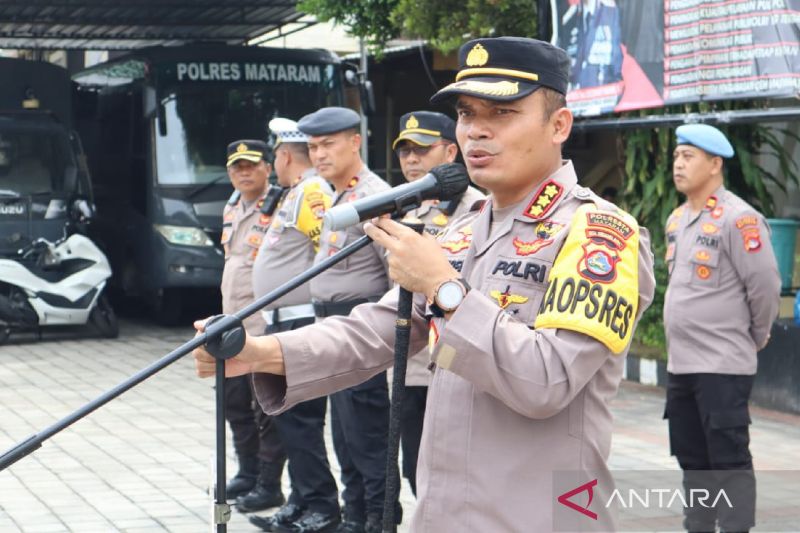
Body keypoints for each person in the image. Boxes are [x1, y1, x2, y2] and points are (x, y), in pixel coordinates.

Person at [195, 37, 656, 532]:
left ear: (558, 125)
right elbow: (373, 330)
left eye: (502, 113)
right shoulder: (463, 230)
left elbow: (547, 379)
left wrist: (443, 287)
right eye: (467, 112)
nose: (477, 130)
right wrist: (259, 352)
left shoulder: (598, 235)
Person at [663, 124, 780, 533]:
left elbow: (765, 288)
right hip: (682, 366)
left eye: (688, 156)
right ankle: (698, 526)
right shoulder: (678, 220)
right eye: (677, 156)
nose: (678, 164)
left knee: (727, 461)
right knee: (691, 459)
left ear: (715, 164)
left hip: (722, 366)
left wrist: (755, 337)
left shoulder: (740, 219)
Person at [298, 107, 398, 533]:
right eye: (313, 147)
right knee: (344, 439)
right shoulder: (332, 195)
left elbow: (398, 273)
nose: (319, 155)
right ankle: (355, 518)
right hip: (331, 332)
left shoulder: (375, 197)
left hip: (360, 332)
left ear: (355, 142)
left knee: (369, 441)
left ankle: (380, 522)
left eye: (328, 144)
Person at [245, 120, 340, 533]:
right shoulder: (296, 192)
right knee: (289, 420)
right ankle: (302, 501)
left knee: (300, 422)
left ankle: (320, 507)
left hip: (300, 323)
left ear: (283, 156)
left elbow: (329, 250)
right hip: (283, 323)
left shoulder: (313, 192)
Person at [391, 110, 485, 496]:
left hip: (454, 363)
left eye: (422, 149)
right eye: (405, 151)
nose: (411, 159)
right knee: (415, 471)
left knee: (457, 477)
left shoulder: (477, 209)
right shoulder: (404, 208)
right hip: (408, 364)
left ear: (450, 153)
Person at [219, 140, 285, 510]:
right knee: (235, 405)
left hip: (262, 324)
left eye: (250, 165)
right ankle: (246, 472)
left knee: (265, 409)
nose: (243, 173)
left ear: (267, 168)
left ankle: (269, 481)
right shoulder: (232, 206)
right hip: (231, 320)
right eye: (236, 167)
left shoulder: (279, 205)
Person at [560, 0, 623, 90]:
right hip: (576, 93)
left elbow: (616, 57)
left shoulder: (610, 12)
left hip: (603, 89)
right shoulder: (570, 16)